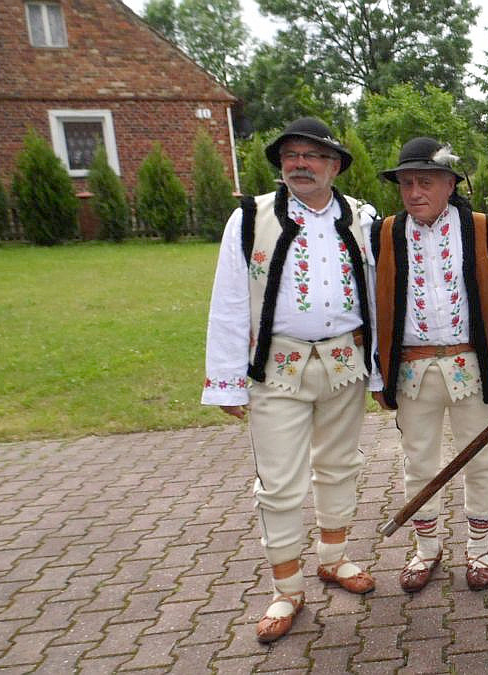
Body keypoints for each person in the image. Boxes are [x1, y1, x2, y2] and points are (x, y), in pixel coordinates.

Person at [201, 117, 381, 642]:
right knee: (279, 483)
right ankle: (286, 589)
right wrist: (226, 379)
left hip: (346, 363)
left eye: (312, 156)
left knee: (341, 464)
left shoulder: (362, 217)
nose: (299, 164)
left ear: (335, 166)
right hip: (276, 368)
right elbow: (230, 301)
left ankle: (334, 557)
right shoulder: (250, 218)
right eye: (290, 156)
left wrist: (380, 370)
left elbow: (376, 293)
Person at [372, 137, 488, 593]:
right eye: (406, 183)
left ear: (450, 183)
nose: (415, 191)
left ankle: (479, 549)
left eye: (425, 182)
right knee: (418, 462)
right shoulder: (386, 233)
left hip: (469, 366)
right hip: (412, 370)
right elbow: (375, 306)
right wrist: (379, 371)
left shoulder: (479, 228)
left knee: (479, 459)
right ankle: (426, 549)